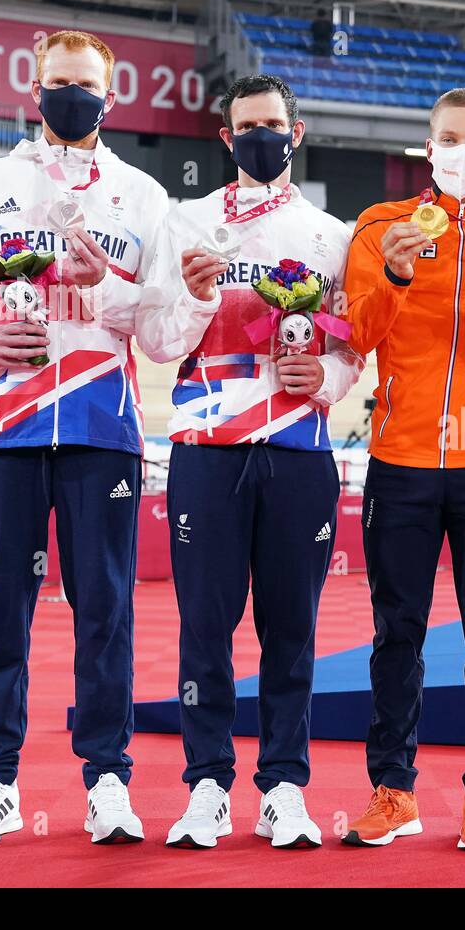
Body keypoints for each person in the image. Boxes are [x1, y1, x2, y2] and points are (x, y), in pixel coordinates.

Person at [0, 29, 169, 846]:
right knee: (2, 608)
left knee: (105, 610)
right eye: (58, 83)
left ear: (110, 95)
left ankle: (107, 781)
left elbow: (165, 325)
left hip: (104, 426)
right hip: (3, 426)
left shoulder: (141, 195)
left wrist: (114, 289)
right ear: (35, 93)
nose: (74, 96)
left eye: (87, 84)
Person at [134, 73, 364, 851]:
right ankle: (206, 785)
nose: (260, 138)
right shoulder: (184, 222)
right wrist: (197, 299)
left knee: (291, 628)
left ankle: (286, 787)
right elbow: (157, 341)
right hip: (205, 446)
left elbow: (350, 351)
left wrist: (324, 379)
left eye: (274, 125)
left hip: (299, 449)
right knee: (206, 626)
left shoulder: (334, 236)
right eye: (245, 128)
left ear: (295, 134)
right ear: (227, 140)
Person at [339, 87, 465, 852]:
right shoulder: (380, 227)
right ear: (429, 147)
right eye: (450, 139)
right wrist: (394, 277)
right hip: (402, 459)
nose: (464, 152)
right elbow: (355, 335)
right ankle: (393, 789)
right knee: (397, 633)